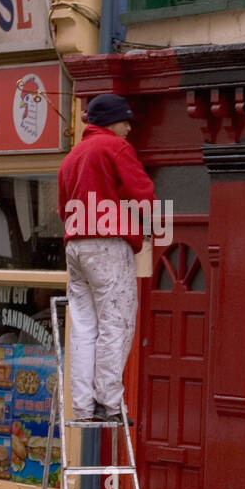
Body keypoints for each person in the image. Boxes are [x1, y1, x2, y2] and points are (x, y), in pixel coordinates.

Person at [58, 93, 155, 423]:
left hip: (76, 246)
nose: (128, 127)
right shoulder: (114, 147)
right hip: (107, 244)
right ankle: (110, 403)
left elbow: (62, 209)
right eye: (125, 120)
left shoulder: (71, 158)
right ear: (111, 121)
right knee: (117, 322)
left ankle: (83, 407)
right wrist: (150, 226)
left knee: (84, 328)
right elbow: (143, 193)